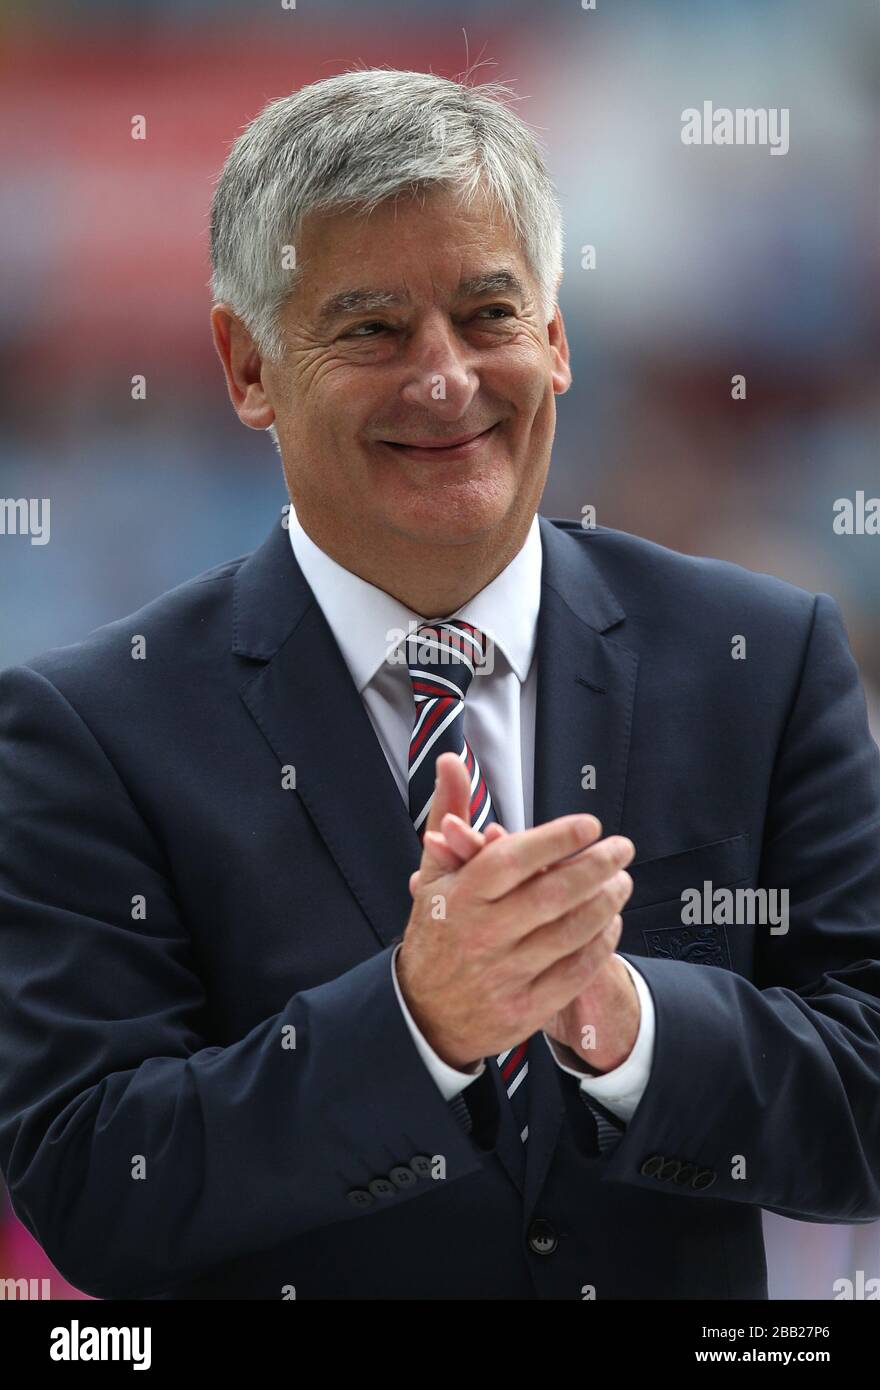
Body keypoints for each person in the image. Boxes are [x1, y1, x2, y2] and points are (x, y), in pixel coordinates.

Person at [1, 68, 879, 1301]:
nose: (444, 379)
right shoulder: (91, 726)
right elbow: (91, 1182)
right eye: (370, 329)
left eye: (488, 314)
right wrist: (418, 1023)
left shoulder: (761, 657)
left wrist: (625, 1022)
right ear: (248, 366)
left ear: (557, 337)